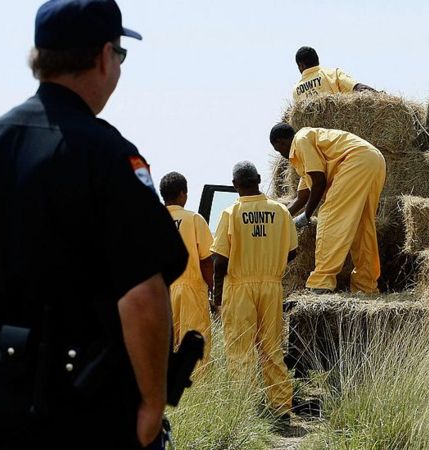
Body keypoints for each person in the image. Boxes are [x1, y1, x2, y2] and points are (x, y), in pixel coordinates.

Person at [0, 1, 188, 448]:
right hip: (87, 412)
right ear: (102, 56)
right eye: (121, 54)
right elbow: (141, 296)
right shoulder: (108, 156)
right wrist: (152, 408)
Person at [211, 161, 298, 424]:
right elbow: (292, 250)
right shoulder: (281, 211)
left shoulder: (231, 213)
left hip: (239, 287)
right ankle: (282, 407)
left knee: (240, 349)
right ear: (259, 179)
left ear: (235, 184)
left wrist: (216, 294)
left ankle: (246, 408)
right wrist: (270, 260)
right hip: (271, 286)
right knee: (271, 347)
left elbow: (219, 260)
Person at [269, 124, 386, 293]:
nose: (280, 154)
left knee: (330, 216)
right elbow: (302, 197)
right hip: (373, 160)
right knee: (362, 226)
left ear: (279, 143)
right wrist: (282, 218)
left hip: (355, 161)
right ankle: (366, 285)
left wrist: (306, 216)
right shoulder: (307, 147)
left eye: (277, 149)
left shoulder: (301, 141)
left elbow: (319, 182)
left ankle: (321, 282)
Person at [159, 172, 214, 360]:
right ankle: (198, 388)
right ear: (183, 194)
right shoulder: (194, 219)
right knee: (194, 348)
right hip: (191, 290)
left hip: (159, 294)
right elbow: (207, 260)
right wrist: (215, 290)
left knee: (164, 349)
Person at [292, 46, 376, 102]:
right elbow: (357, 87)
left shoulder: (296, 90)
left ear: (300, 65)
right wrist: (378, 94)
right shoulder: (332, 73)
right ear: (318, 60)